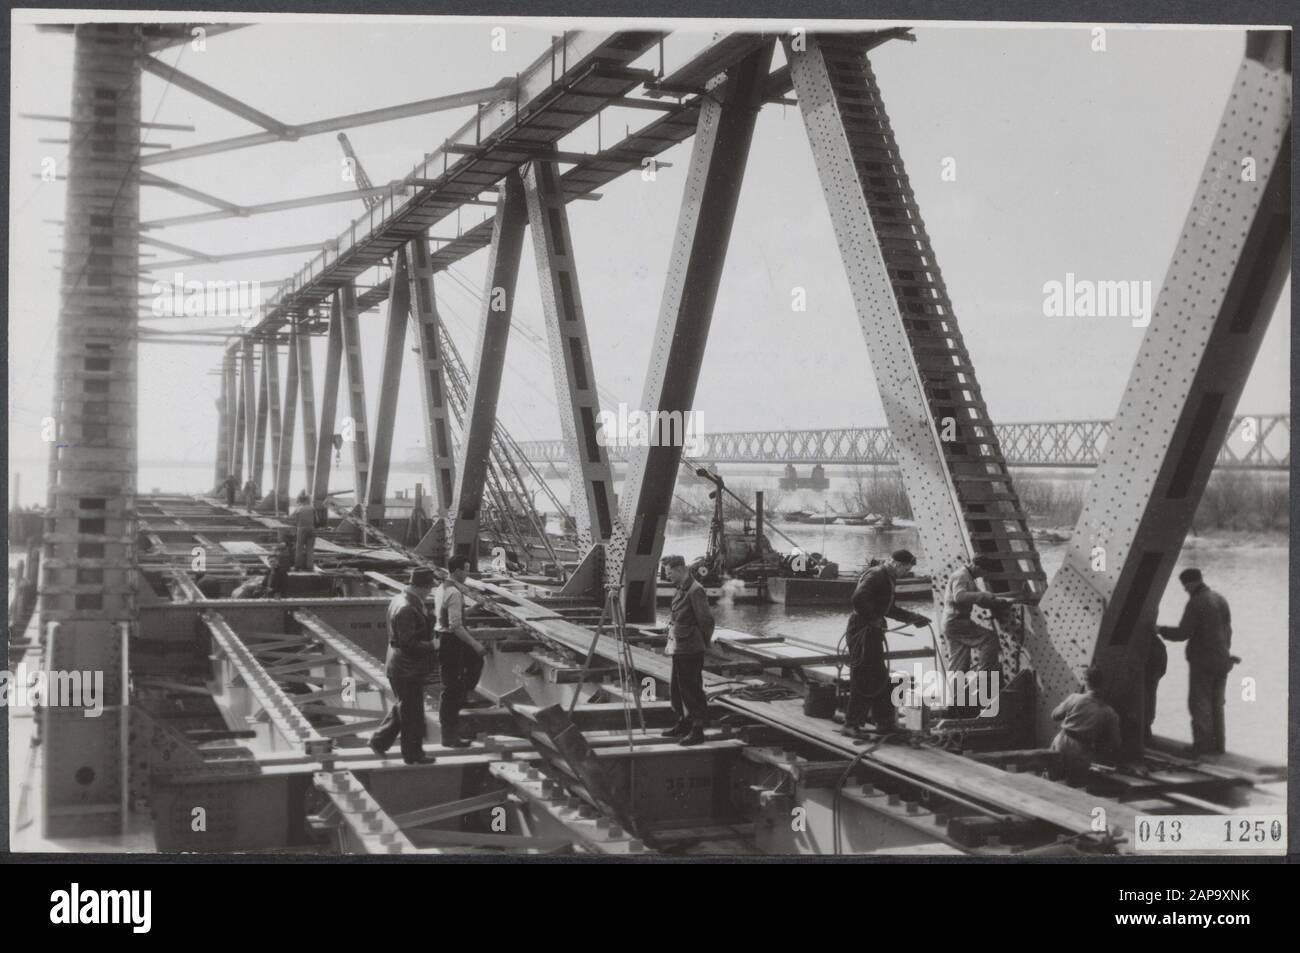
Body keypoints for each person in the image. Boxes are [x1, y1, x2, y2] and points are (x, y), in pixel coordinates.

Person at [840, 549, 929, 738]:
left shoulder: (887, 577)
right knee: (863, 675)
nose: (906, 573)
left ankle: (885, 724)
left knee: (880, 676)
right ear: (897, 564)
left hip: (871, 630)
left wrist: (913, 618)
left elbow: (889, 609)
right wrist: (873, 618)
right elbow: (858, 598)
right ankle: (851, 724)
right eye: (906, 569)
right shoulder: (877, 575)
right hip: (862, 631)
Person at [1158, 568, 1235, 756]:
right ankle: (1219, 747)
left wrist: (1160, 630)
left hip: (1203, 661)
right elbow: (1228, 630)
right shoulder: (1219, 598)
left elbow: (1183, 633)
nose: (1186, 590)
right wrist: (1225, 653)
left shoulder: (1196, 603)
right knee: (1217, 704)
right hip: (1222, 659)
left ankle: (1201, 747)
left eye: (1186, 587)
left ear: (1191, 583)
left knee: (1199, 703)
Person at [370, 567, 438, 765]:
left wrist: (430, 618)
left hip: (400, 665)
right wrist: (433, 645)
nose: (430, 592)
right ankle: (412, 755)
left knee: (406, 707)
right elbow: (408, 643)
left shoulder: (402, 600)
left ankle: (379, 742)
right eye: (429, 588)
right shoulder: (408, 607)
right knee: (412, 713)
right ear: (423, 587)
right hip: (406, 667)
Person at [660, 553, 717, 747]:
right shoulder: (681, 588)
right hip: (679, 646)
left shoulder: (695, 590)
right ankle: (684, 723)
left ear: (679, 570)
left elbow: (706, 621)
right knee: (677, 688)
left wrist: (703, 643)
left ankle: (697, 729)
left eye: (669, 573)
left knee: (691, 689)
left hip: (691, 647)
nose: (667, 577)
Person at [436, 555, 487, 748]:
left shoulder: (443, 588)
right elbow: (456, 625)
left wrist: (474, 608)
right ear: (457, 571)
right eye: (465, 570)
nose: (467, 574)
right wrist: (476, 644)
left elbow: (453, 615)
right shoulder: (455, 593)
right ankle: (449, 737)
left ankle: (463, 696)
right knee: (450, 690)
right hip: (451, 641)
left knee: (474, 663)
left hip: (445, 638)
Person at [1050, 667, 1122, 786]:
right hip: (1081, 751)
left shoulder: (1074, 698)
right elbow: (1115, 742)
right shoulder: (1110, 713)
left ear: (1086, 681)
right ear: (1103, 684)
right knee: (1072, 786)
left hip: (1060, 743)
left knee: (1050, 779)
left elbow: (1055, 715)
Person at [940, 555, 1009, 676]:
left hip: (952, 623)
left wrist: (998, 603)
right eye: (983, 571)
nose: (983, 575)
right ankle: (984, 677)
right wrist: (983, 594)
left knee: (959, 664)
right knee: (989, 638)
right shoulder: (961, 575)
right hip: (956, 622)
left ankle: (954, 692)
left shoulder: (968, 577)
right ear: (976, 566)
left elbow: (979, 600)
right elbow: (959, 597)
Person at [1143, 628, 1167, 745]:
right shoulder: (1160, 645)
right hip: (1153, 677)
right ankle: (1146, 728)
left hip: (1145, 676)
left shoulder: (1142, 641)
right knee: (1151, 700)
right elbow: (1163, 668)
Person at [291, 491, 318, 571]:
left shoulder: (299, 509)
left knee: (299, 548)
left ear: (301, 501)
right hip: (311, 529)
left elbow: (293, 520)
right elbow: (317, 520)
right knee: (310, 549)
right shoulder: (312, 508)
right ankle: (310, 567)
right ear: (307, 500)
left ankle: (297, 566)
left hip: (302, 528)